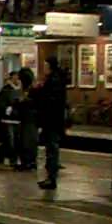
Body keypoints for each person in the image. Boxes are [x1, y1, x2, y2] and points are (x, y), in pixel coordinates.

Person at [32, 56, 69, 189]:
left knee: (52, 150)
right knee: (51, 149)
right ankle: (50, 177)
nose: (44, 68)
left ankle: (51, 178)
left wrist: (37, 90)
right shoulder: (57, 80)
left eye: (46, 65)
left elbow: (46, 100)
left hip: (51, 120)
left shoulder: (53, 81)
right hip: (55, 120)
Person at [14, 68, 38, 172]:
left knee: (26, 140)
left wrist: (20, 102)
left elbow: (24, 104)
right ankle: (30, 161)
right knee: (28, 140)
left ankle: (27, 161)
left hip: (28, 119)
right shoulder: (31, 90)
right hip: (29, 119)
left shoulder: (28, 92)